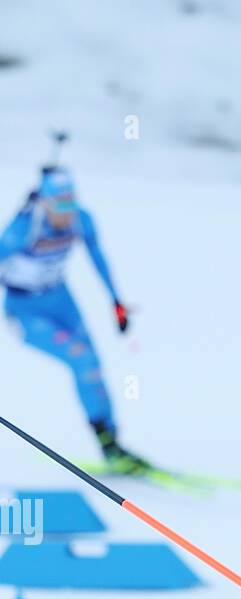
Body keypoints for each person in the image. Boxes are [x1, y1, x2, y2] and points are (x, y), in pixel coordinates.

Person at [0, 166, 148, 472]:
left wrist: (115, 301)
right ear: (44, 202)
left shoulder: (81, 219)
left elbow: (97, 256)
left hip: (62, 302)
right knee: (80, 359)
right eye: (60, 204)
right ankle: (110, 448)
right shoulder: (22, 229)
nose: (67, 211)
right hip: (27, 311)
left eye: (72, 201)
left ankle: (111, 446)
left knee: (93, 366)